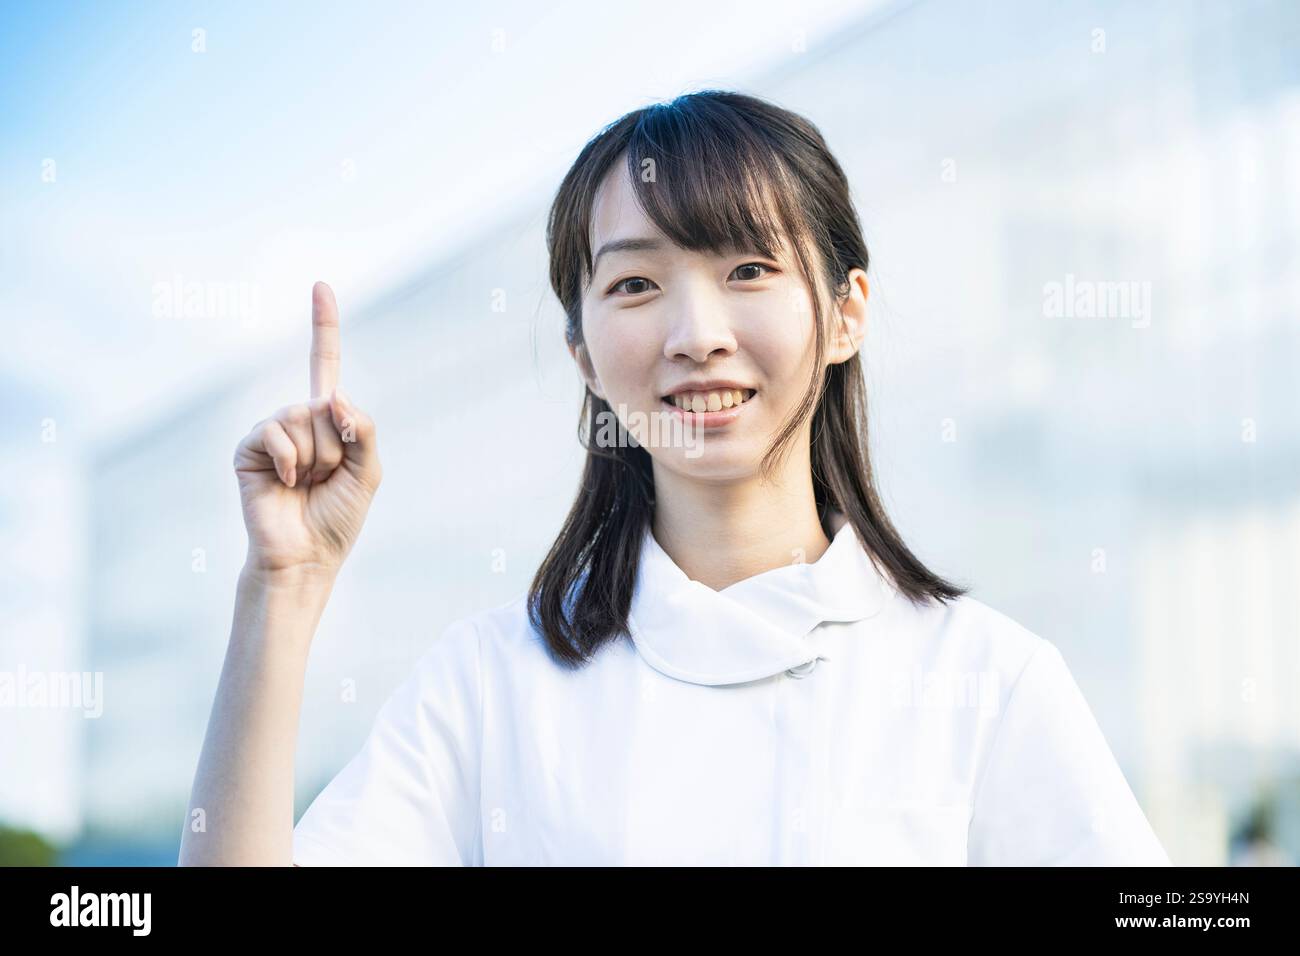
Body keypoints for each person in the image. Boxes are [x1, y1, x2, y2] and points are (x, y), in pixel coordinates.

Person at [179, 90, 1171, 866]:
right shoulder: (486, 686)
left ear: (846, 311)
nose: (696, 335)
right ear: (581, 350)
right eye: (636, 284)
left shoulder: (986, 682)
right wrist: (284, 586)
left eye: (747, 269)